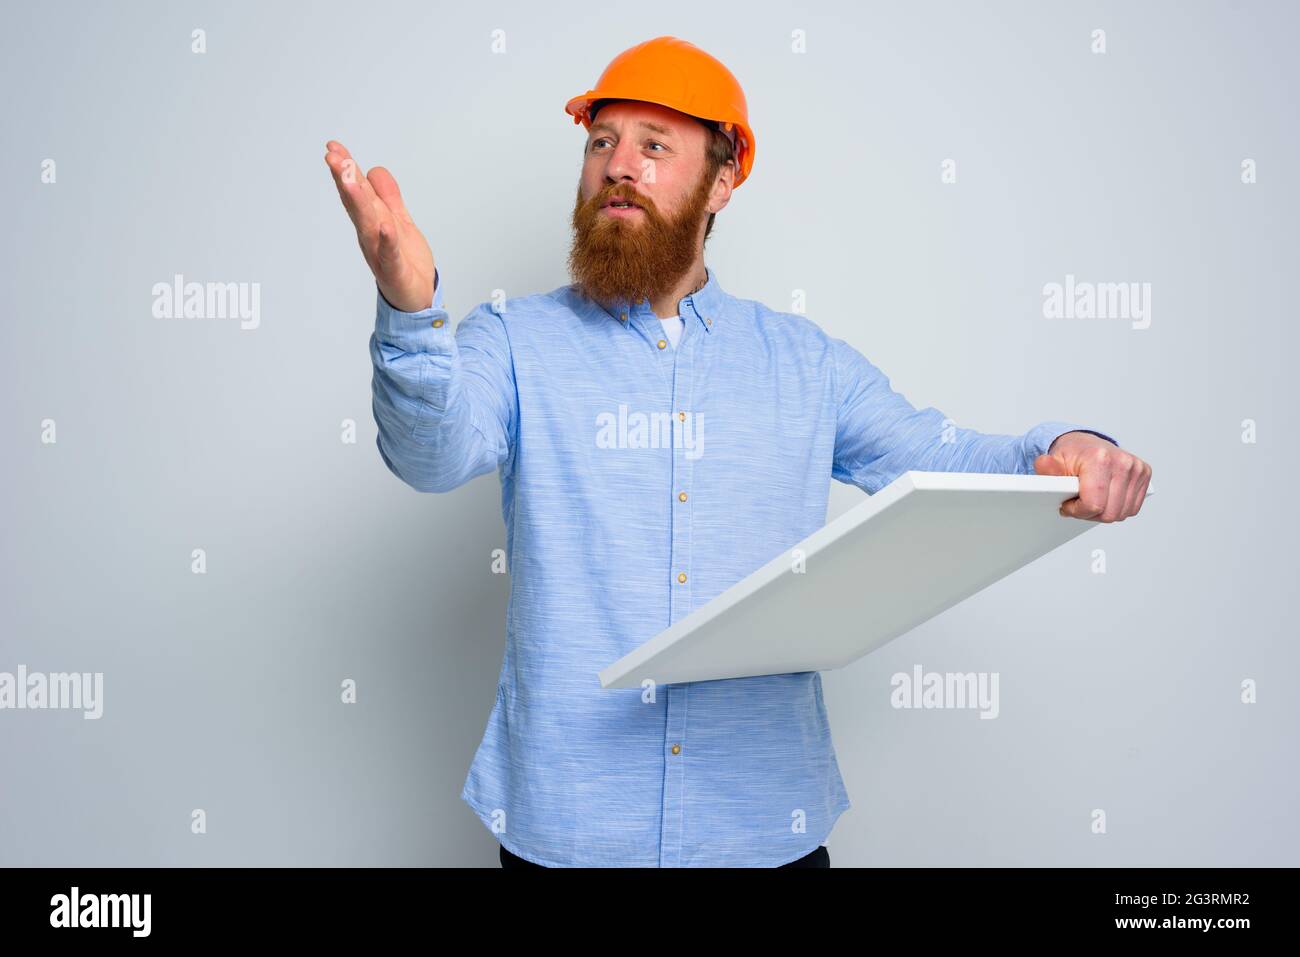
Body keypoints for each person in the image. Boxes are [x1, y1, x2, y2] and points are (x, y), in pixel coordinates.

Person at [324, 36, 1152, 868]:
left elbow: (946, 460)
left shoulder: (806, 362)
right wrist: (409, 307)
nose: (619, 166)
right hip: (568, 834)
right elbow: (429, 455)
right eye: (602, 142)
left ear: (723, 181)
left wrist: (1068, 450)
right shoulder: (514, 340)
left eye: (655, 146)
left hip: (765, 835)